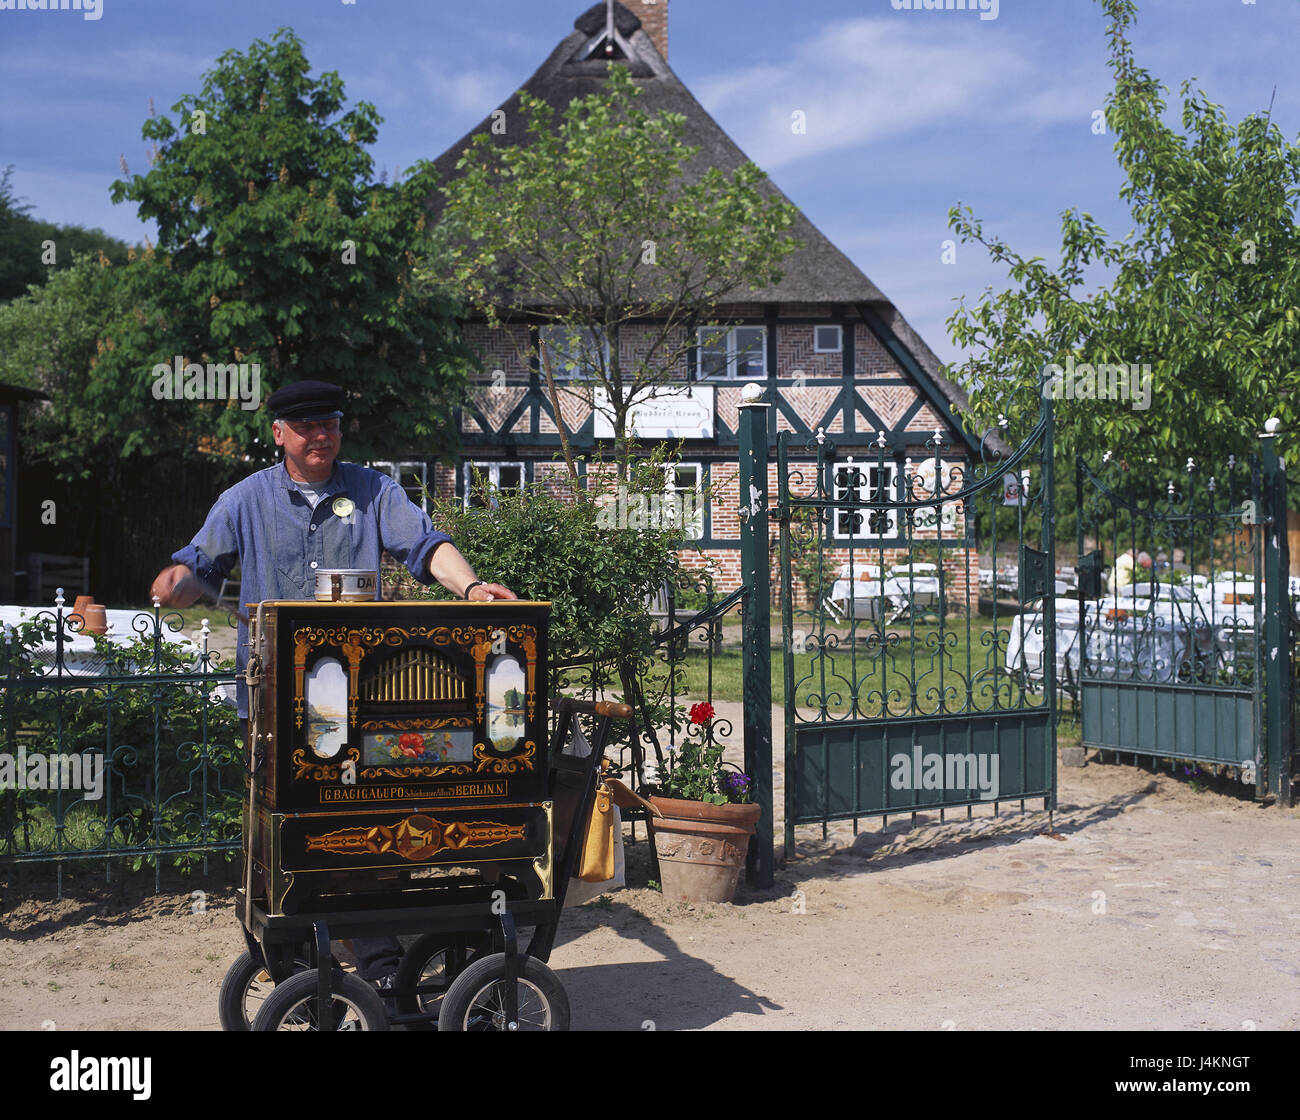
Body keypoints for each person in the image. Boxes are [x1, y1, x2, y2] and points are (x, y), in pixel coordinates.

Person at [151, 379, 516, 993]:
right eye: (306, 427)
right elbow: (197, 568)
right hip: (273, 700)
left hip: (360, 702)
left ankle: (376, 963)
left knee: (364, 825)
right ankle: (290, 959)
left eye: (330, 424)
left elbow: (426, 547)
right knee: (279, 830)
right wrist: (177, 582)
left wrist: (473, 588)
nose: (321, 436)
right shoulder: (244, 501)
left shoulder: (375, 491)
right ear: (280, 435)